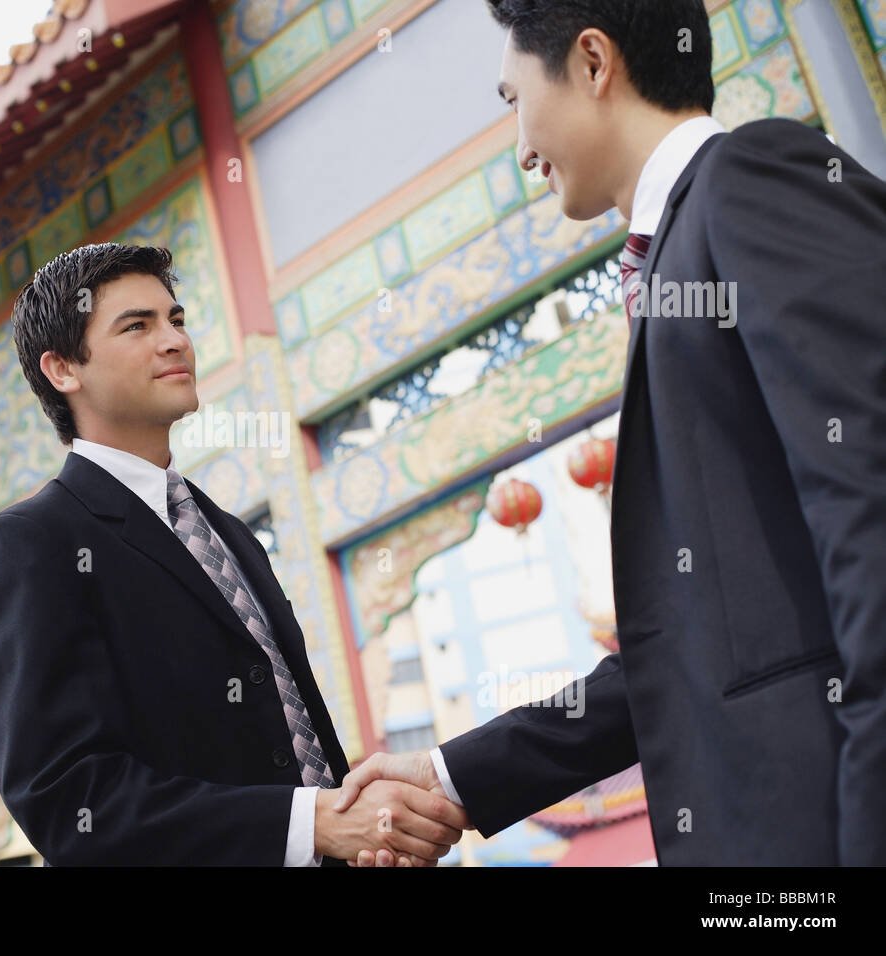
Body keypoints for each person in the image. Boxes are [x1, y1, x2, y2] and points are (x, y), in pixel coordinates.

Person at [334, 0, 886, 866]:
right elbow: (681, 653)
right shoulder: (674, 257)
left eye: (513, 99)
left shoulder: (751, 180)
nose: (520, 147)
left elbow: (873, 505)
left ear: (593, 62)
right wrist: (449, 778)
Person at [0, 242, 468, 864]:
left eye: (175, 319)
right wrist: (311, 825)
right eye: (136, 326)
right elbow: (71, 804)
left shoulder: (227, 533)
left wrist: (354, 825)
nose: (174, 340)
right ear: (63, 369)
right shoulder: (30, 545)